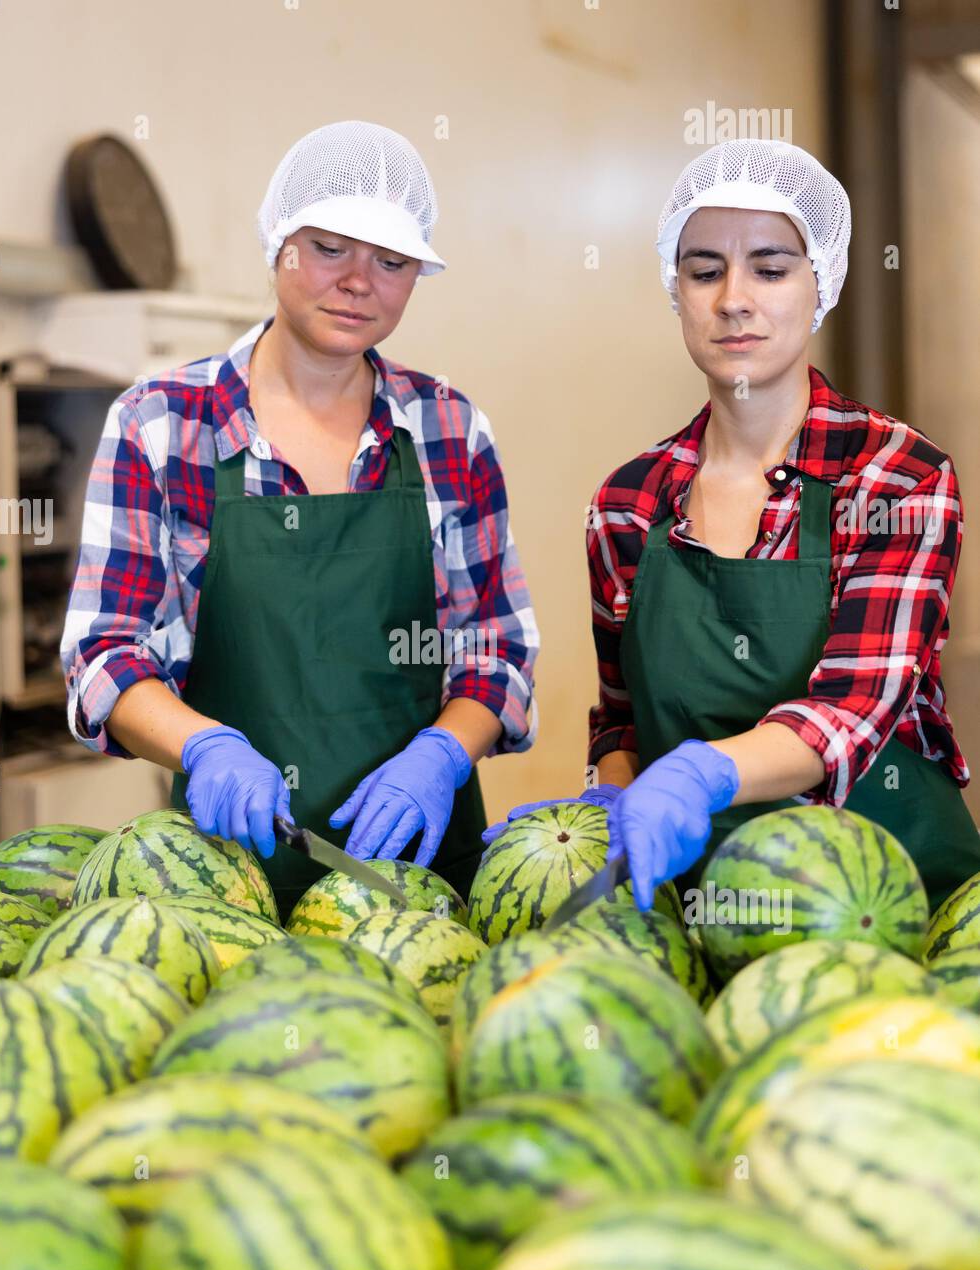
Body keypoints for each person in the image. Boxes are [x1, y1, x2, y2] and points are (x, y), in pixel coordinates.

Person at [487, 137, 980, 916]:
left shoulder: (898, 477)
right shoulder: (629, 502)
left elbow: (855, 707)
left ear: (824, 283)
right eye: (705, 270)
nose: (733, 299)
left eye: (772, 268)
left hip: (891, 904)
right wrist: (605, 809)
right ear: (674, 289)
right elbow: (621, 719)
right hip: (700, 906)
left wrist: (697, 775)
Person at [61, 120, 538, 920]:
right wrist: (202, 747)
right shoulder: (162, 423)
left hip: (415, 887)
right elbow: (104, 657)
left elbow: (498, 655)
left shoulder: (449, 428)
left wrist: (443, 753)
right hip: (223, 886)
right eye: (329, 248)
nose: (360, 281)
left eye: (392, 261)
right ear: (277, 244)